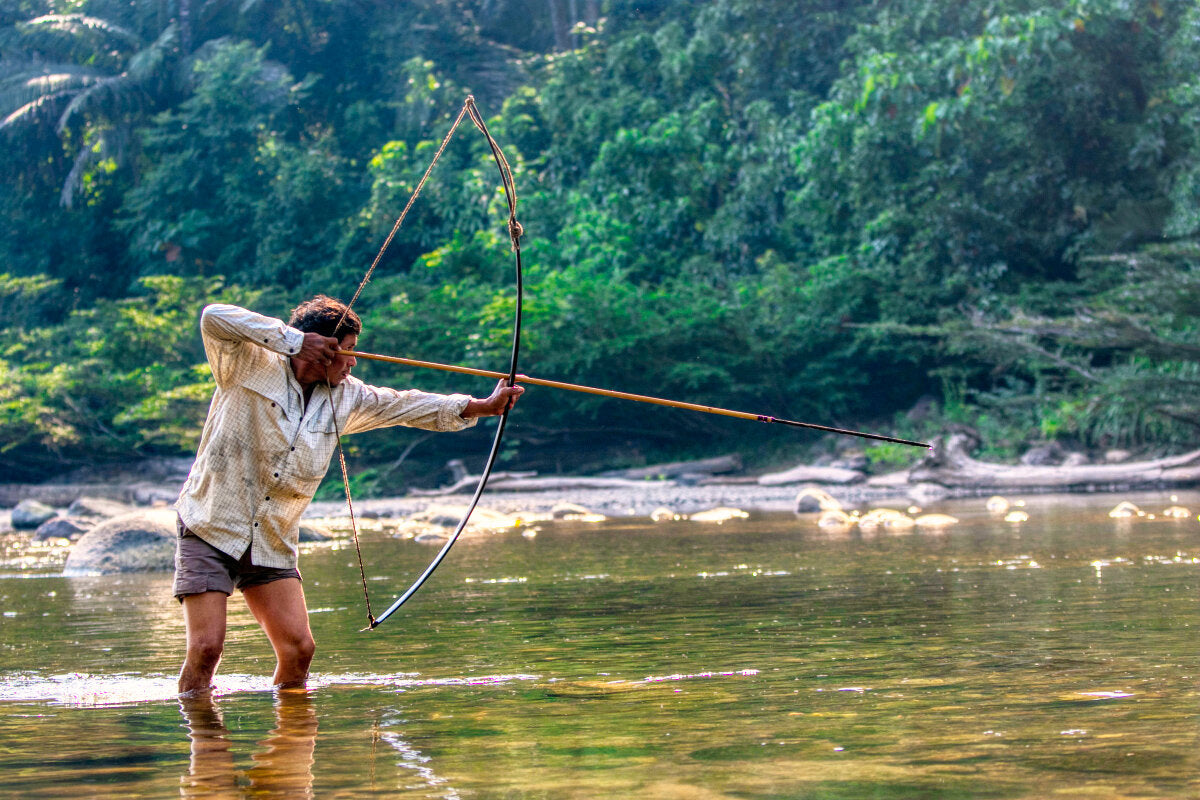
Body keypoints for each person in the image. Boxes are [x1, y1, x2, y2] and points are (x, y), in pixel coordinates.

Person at [173, 296, 523, 695]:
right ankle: (201, 739)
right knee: (206, 648)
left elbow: (405, 404)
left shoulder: (348, 396)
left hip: (271, 539)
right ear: (322, 348)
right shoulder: (246, 363)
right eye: (348, 351)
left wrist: (481, 406)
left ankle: (288, 743)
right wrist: (293, 340)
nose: (353, 361)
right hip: (210, 524)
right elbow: (213, 317)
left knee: (299, 649)